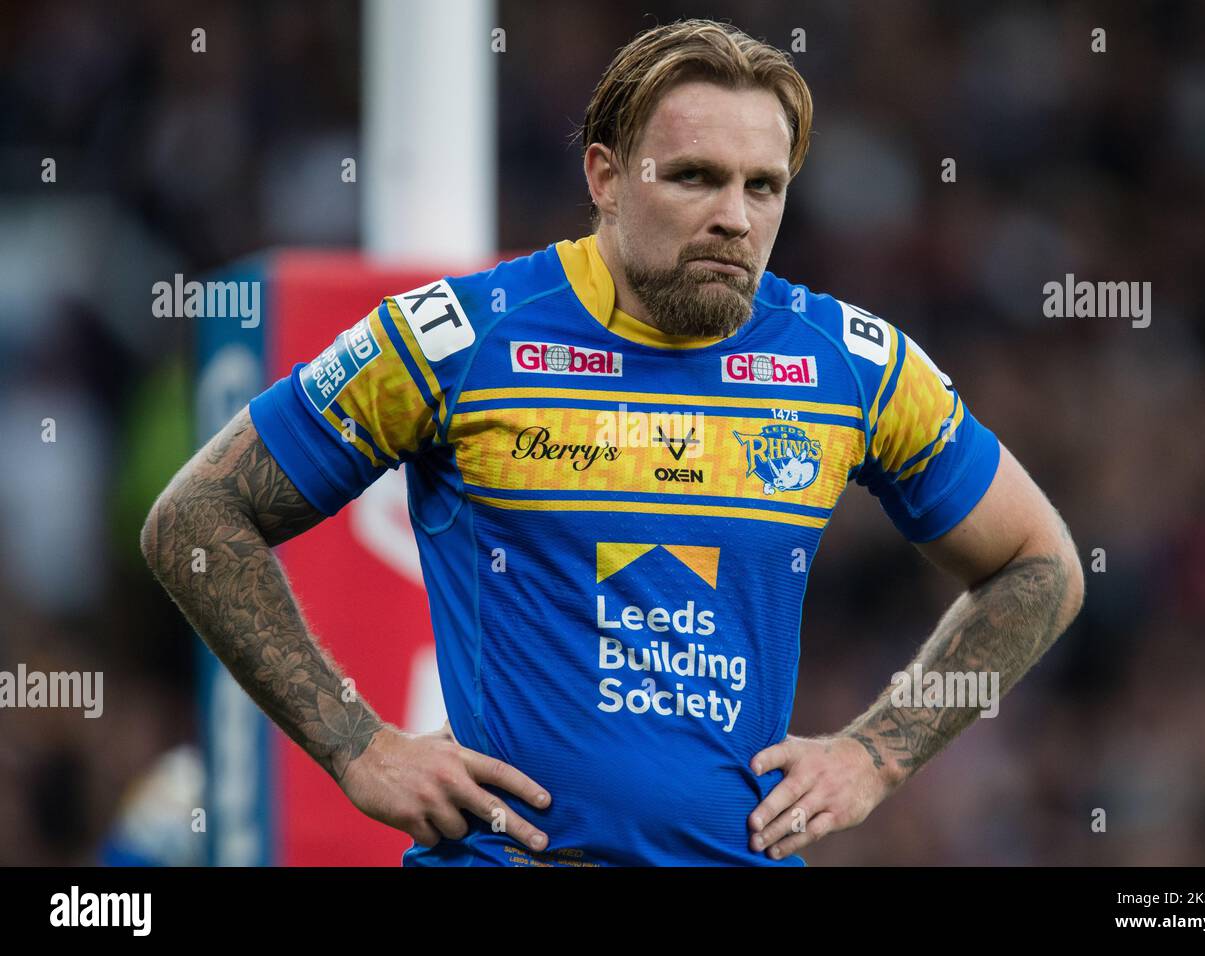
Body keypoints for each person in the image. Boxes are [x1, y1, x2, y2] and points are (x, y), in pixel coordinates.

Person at [142, 18, 1084, 867]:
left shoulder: (854, 364)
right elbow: (196, 516)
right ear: (604, 177)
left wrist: (877, 754)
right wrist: (354, 741)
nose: (736, 217)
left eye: (765, 186)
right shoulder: (458, 339)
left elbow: (1040, 564)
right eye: (695, 177)